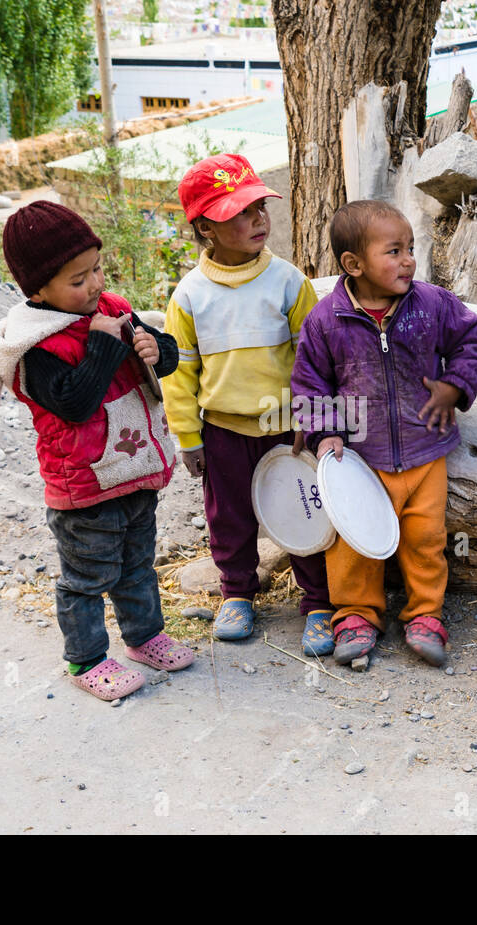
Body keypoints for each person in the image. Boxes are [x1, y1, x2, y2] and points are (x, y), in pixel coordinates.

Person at [0, 201, 196, 701]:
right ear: (37, 289)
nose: (96, 283)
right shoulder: (34, 347)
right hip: (84, 487)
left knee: (138, 563)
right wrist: (103, 347)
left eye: (97, 268)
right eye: (78, 279)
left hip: (134, 469)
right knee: (88, 576)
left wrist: (156, 350)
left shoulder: (112, 309)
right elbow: (75, 404)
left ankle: (144, 638)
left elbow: (162, 355)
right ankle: (85, 659)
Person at [291, 200, 477, 669]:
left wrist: (454, 385)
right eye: (394, 251)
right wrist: (324, 434)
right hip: (360, 462)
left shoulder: (432, 305)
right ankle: (355, 615)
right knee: (354, 543)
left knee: (426, 541)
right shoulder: (327, 320)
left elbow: (473, 341)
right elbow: (309, 382)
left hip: (425, 455)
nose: (408, 260)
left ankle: (425, 615)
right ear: (353, 265)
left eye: (411, 249)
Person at [162, 153, 334, 653]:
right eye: (241, 211)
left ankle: (319, 602)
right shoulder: (190, 296)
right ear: (205, 228)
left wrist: (316, 420)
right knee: (229, 518)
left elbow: (316, 354)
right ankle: (237, 593)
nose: (258, 219)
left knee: (304, 511)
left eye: (260, 206)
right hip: (223, 431)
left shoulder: (287, 281)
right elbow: (179, 374)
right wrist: (188, 438)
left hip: (287, 427)